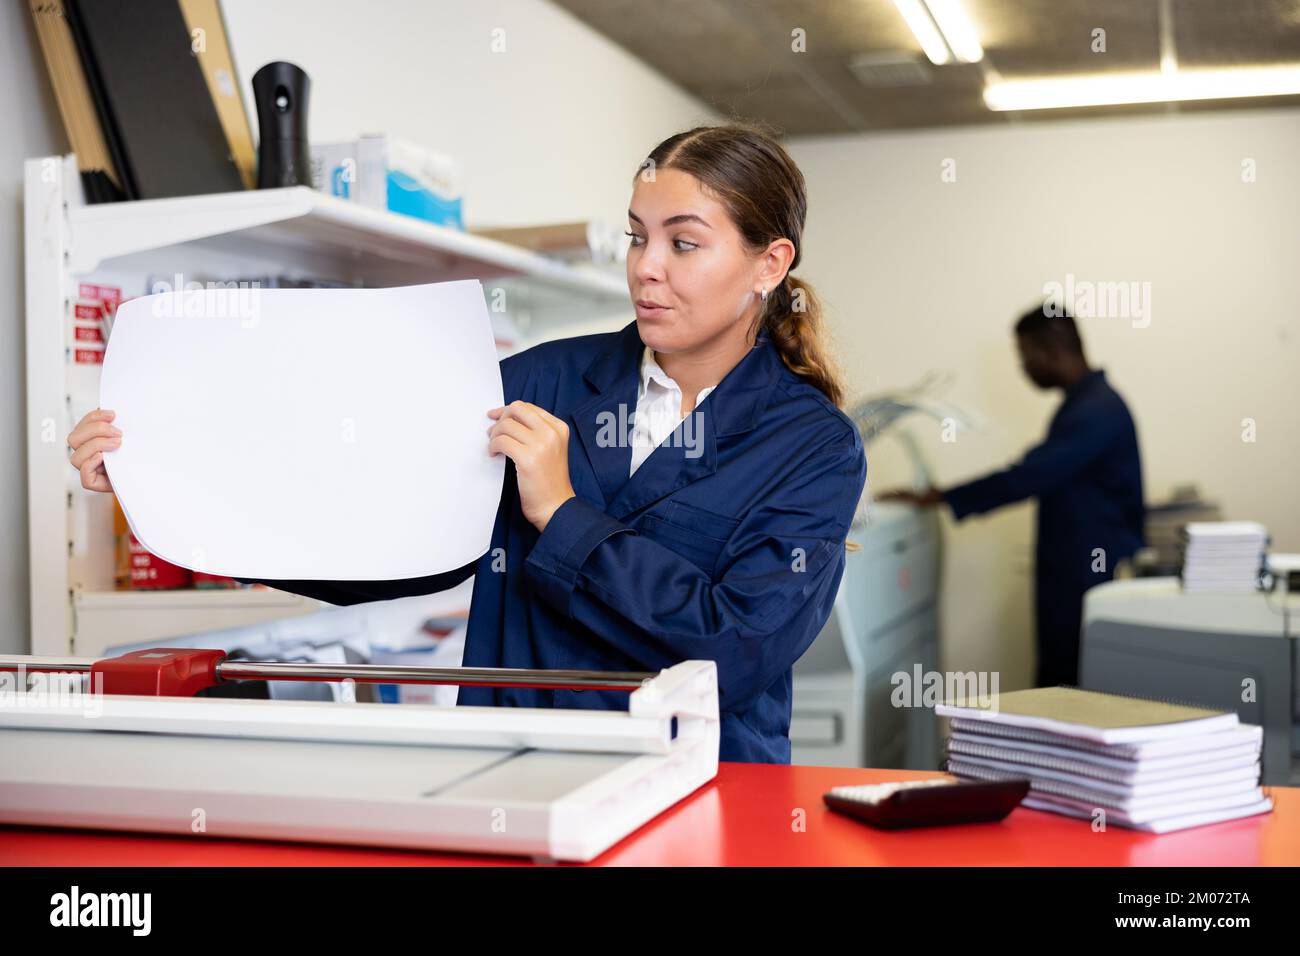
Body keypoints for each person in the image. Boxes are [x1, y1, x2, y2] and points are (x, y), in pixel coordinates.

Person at [67, 123, 867, 764]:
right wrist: (171, 486)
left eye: (683, 243)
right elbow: (395, 543)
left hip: (701, 785)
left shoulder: (812, 446)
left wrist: (560, 511)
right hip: (513, 770)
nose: (645, 269)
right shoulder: (542, 381)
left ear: (769, 262)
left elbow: (735, 647)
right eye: (635, 237)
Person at [878, 303, 1144, 687]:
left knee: (1069, 689)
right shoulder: (1087, 404)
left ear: (1049, 350)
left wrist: (942, 497)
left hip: (1087, 581)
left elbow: (1029, 476)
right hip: (1077, 575)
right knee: (1062, 683)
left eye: (1024, 357)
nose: (1023, 370)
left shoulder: (1094, 410)